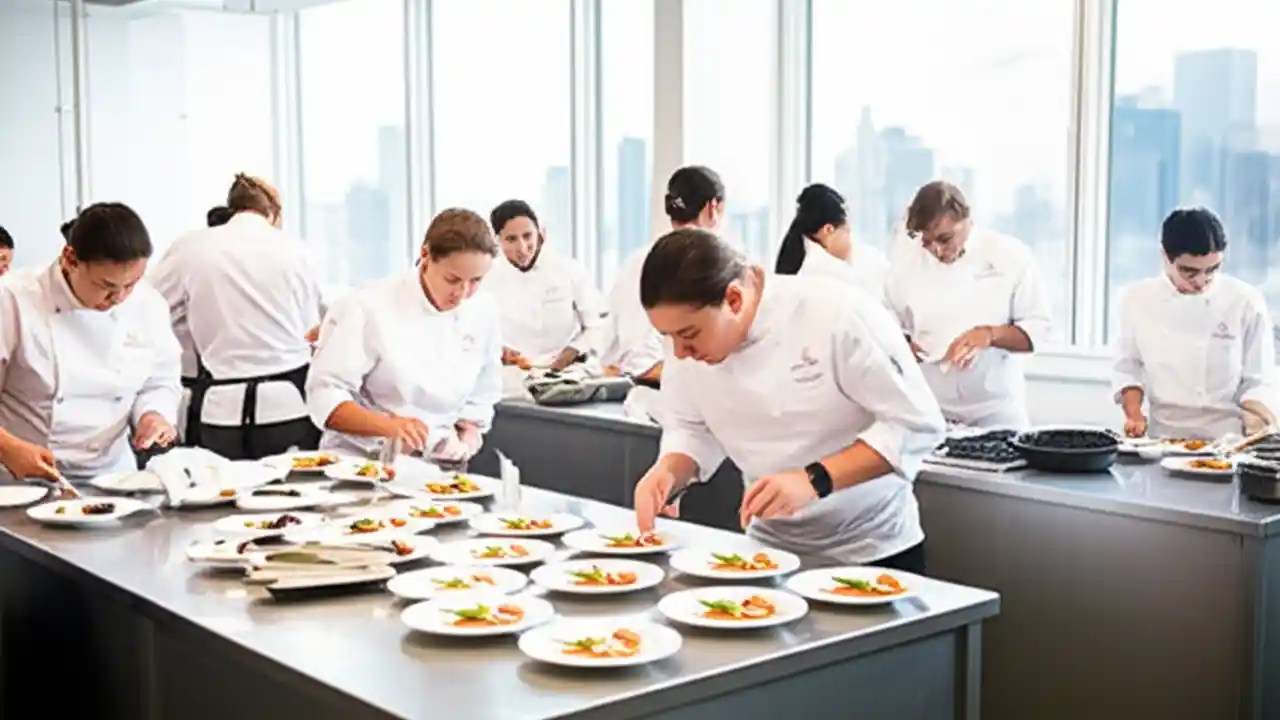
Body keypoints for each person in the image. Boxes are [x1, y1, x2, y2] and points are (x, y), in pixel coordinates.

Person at [631, 229, 945, 570]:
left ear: (734, 299)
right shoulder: (687, 345)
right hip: (770, 551)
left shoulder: (836, 314)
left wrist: (814, 480)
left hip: (873, 548)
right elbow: (691, 428)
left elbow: (916, 425)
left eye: (688, 335)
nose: (678, 352)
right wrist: (668, 473)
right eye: (668, 337)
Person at [0, 203, 180, 482]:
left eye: (131, 284)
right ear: (70, 259)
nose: (119, 298)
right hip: (22, 480)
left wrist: (153, 415)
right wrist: (8, 448)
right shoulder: (12, 299)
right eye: (107, 286)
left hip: (113, 479)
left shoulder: (148, 303)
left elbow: (160, 379)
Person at [307, 208, 502, 461]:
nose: (463, 293)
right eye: (452, 279)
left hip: (440, 468)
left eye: (476, 280)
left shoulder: (483, 311)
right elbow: (324, 394)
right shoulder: (367, 306)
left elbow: (483, 391)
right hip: (362, 464)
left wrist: (469, 434)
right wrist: (389, 426)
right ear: (425, 255)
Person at [151, 174, 324, 460]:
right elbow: (316, 325)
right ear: (274, 212)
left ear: (232, 208)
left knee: (221, 495)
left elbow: (150, 309)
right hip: (291, 404)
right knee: (295, 495)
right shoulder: (297, 250)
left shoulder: (191, 248)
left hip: (220, 409)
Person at [885, 181, 1051, 429]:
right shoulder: (905, 265)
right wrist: (901, 347)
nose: (937, 250)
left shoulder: (1010, 255)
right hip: (931, 411)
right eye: (927, 242)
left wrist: (989, 335)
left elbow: (1037, 331)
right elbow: (884, 325)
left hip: (998, 412)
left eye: (945, 238)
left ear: (967, 218)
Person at [1114, 208, 1279, 439]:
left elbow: (1259, 380)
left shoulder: (1245, 302)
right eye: (1189, 272)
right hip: (1163, 439)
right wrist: (1134, 415)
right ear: (1165, 257)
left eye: (1212, 270)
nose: (1201, 281)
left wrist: (1257, 419)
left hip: (1229, 441)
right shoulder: (1137, 299)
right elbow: (1128, 368)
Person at [600, 166, 726, 382]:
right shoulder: (710, 265)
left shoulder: (636, 260)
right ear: (713, 207)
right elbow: (640, 363)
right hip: (657, 390)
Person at [485, 199, 608, 371]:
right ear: (497, 241)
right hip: (511, 375)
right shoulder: (487, 278)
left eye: (527, 236)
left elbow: (597, 327)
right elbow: (477, 333)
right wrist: (499, 351)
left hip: (569, 371)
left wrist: (575, 350)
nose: (522, 247)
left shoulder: (569, 269)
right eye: (511, 239)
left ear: (541, 233)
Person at [774, 183, 890, 301]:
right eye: (847, 231)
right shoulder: (828, 276)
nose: (851, 240)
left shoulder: (798, 262)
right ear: (828, 230)